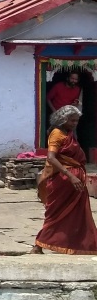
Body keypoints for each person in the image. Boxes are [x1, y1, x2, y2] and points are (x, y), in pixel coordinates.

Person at [34, 104, 97, 254]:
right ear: (63, 119)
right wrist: (70, 176)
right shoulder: (57, 134)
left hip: (75, 184)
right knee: (55, 214)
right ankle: (38, 244)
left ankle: (73, 245)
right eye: (72, 121)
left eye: (76, 121)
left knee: (75, 216)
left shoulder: (69, 134)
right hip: (62, 181)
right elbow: (51, 157)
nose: (75, 124)